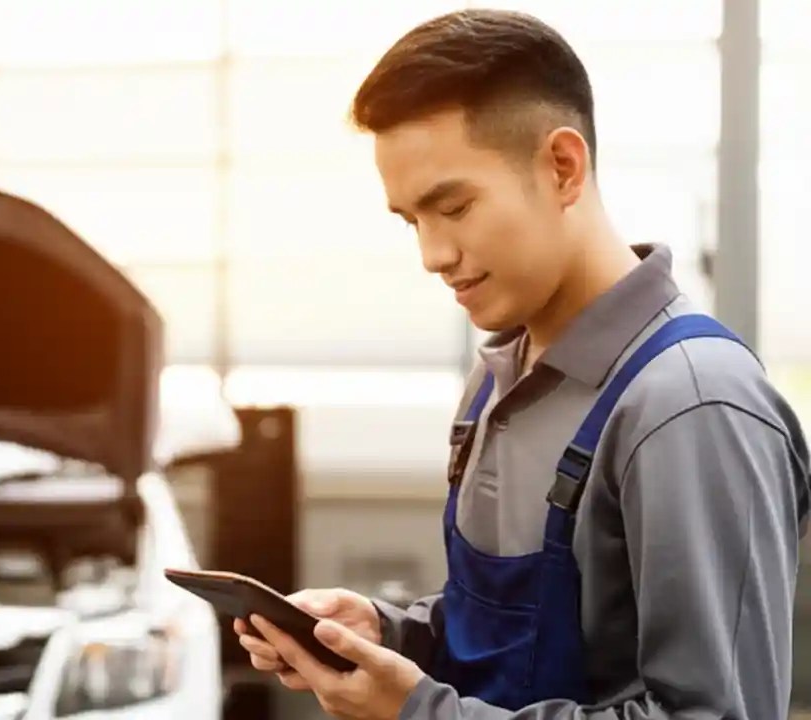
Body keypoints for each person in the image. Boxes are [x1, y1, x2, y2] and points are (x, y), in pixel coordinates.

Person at [236, 8, 811, 720]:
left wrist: (420, 714)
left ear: (562, 168)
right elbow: (521, 645)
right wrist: (394, 636)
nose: (432, 255)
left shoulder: (690, 407)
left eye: (453, 206)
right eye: (412, 220)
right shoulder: (498, 377)